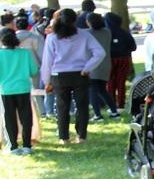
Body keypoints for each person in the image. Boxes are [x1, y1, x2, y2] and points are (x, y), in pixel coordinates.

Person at [40, 8, 106, 144]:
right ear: (75, 20)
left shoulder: (52, 38)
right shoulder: (84, 35)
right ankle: (81, 136)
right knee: (82, 106)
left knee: (62, 106)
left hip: (59, 75)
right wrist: (88, 68)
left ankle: (64, 137)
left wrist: (46, 80)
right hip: (80, 74)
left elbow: (47, 61)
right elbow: (100, 53)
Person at [0, 28, 40, 154]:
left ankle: (13, 146)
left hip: (6, 90)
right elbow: (34, 71)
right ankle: (27, 145)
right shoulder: (25, 53)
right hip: (23, 88)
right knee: (26, 118)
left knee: (9, 118)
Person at [81, 13, 114, 121]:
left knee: (92, 90)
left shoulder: (86, 33)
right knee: (102, 90)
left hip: (92, 64)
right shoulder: (107, 32)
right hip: (106, 64)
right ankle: (114, 111)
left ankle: (97, 114)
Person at [105, 12, 136, 116]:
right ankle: (121, 104)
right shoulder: (124, 32)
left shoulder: (106, 33)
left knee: (110, 82)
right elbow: (133, 47)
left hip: (110, 59)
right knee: (121, 82)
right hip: (124, 59)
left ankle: (111, 105)